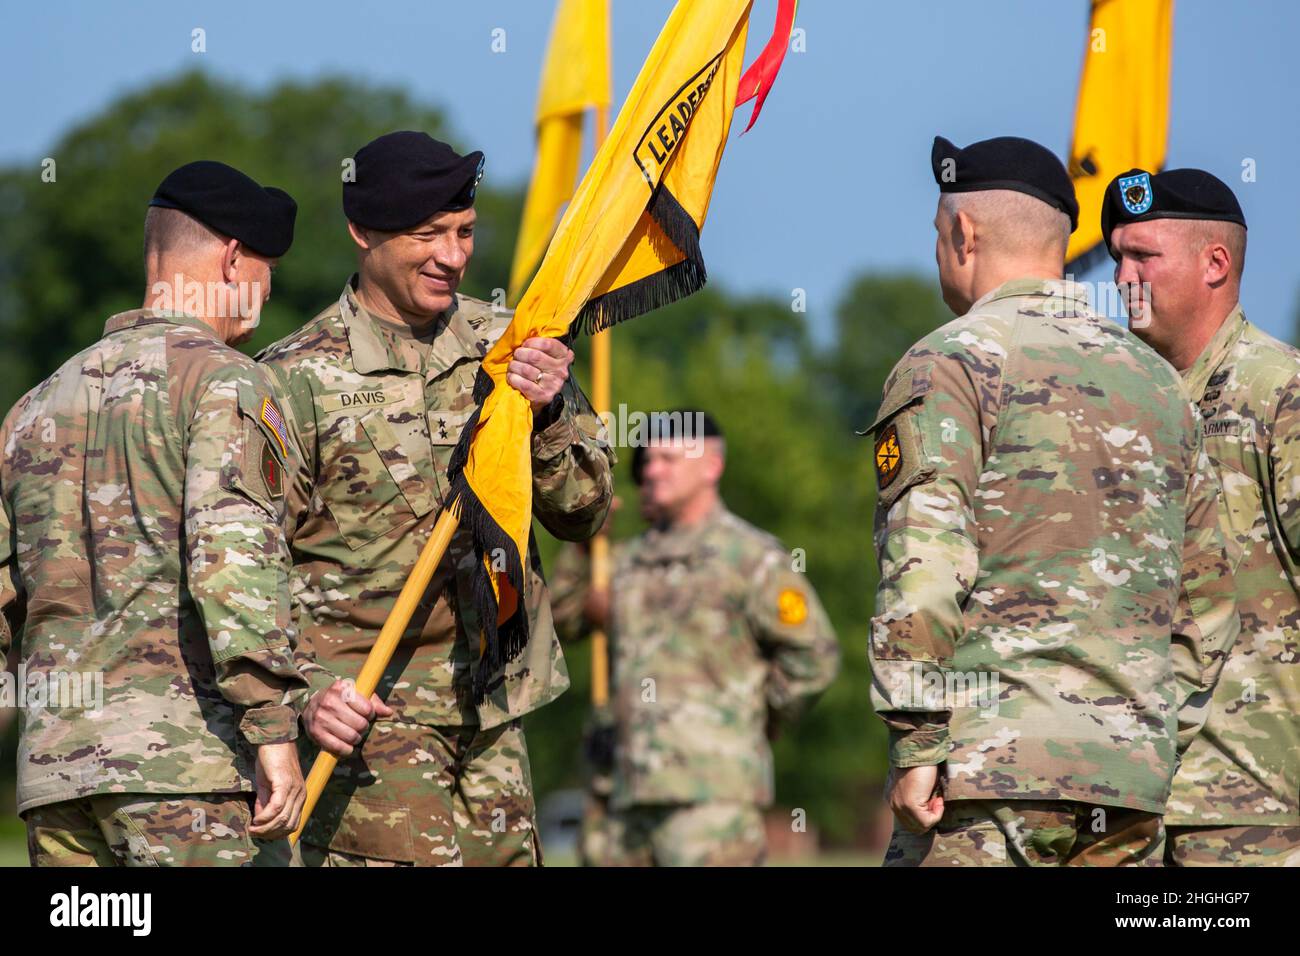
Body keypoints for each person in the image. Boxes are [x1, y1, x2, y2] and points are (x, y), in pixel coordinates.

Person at [869, 136, 1239, 867]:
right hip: (1126, 786)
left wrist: (916, 743)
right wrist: (1144, 743)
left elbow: (924, 567)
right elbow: (1207, 605)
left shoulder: (949, 360)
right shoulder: (1160, 383)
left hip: (984, 777)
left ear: (962, 234)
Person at [257, 131, 613, 866]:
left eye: (465, 233)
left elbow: (586, 512)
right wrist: (307, 694)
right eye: (427, 235)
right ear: (363, 233)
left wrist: (548, 415)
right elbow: (244, 569)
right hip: (368, 725)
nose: (452, 256)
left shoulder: (512, 346)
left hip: (493, 716)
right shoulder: (291, 379)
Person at [0, 160, 308, 865]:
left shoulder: (34, 406)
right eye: (266, 272)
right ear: (233, 260)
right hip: (187, 773)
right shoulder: (226, 382)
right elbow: (235, 566)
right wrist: (274, 731)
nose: (266, 293)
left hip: (55, 781)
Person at [1105, 167, 1300, 866]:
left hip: (1253, 811)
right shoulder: (1119, 406)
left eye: (1144, 256)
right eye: (1117, 256)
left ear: (1215, 262)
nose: (1124, 275)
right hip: (1126, 811)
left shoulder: (1280, 393)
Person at [586, 410, 840, 866]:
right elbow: (568, 619)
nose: (651, 469)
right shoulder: (628, 561)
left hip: (713, 798)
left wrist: (754, 716)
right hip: (627, 794)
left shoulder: (751, 557)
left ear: (711, 466)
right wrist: (581, 541)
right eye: (648, 461)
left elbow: (813, 654)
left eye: (667, 457)